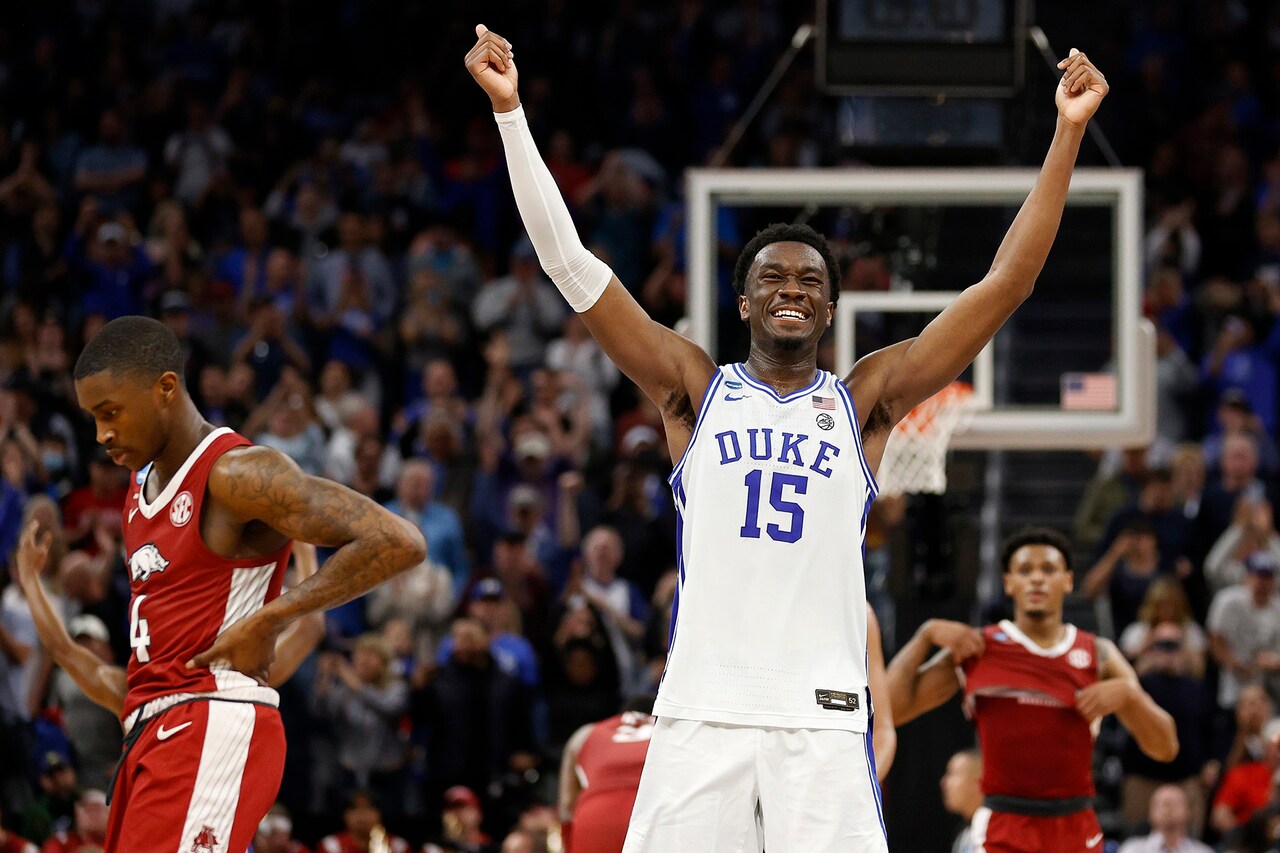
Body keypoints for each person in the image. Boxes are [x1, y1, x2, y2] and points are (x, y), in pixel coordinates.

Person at [466, 22, 1111, 851]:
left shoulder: (865, 400)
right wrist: (512, 114)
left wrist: (1066, 133)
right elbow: (570, 263)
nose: (792, 288)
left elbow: (1007, 282)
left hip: (823, 718)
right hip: (703, 709)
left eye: (811, 279)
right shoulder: (693, 388)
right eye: (772, 275)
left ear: (831, 309)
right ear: (743, 302)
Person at [69, 316, 425, 853]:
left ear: (165, 388)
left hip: (209, 716)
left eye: (110, 413)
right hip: (150, 731)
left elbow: (397, 540)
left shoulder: (236, 473)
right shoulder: (139, 491)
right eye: (93, 419)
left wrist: (270, 617)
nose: (102, 435)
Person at [888, 527, 1178, 853]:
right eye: (1025, 571)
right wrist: (924, 636)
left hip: (1075, 826)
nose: (1037, 579)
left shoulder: (1100, 653)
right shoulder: (977, 648)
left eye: (1048, 570)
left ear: (1068, 581)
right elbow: (890, 711)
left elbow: (1166, 748)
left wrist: (1130, 696)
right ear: (1008, 583)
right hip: (1004, 825)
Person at [559, 700, 656, 853]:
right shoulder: (672, 731)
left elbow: (566, 807)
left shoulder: (586, 733)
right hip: (649, 817)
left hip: (595, 820)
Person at [1117, 784, 1213, 853]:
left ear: (1188, 812)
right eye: (1163, 804)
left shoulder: (1202, 851)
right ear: (1150, 813)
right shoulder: (1132, 849)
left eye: (1175, 803)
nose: (1168, 808)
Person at [940, 749, 984, 853]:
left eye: (953, 774)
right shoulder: (964, 834)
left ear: (978, 783)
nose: (944, 783)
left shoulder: (992, 830)